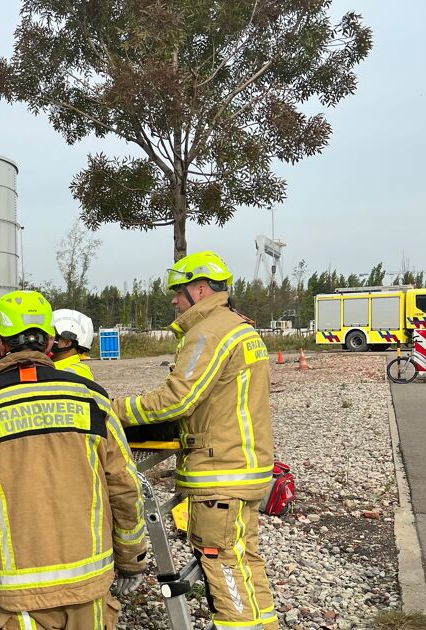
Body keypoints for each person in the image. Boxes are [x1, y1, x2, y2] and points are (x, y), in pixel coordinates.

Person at [0, 289, 148, 629]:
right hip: (89, 583)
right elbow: (125, 488)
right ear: (50, 341)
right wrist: (131, 559)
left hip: (17, 591)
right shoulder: (93, 400)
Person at [113, 251, 278, 630]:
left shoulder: (209, 332)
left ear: (200, 290)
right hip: (245, 469)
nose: (174, 300)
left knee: (223, 566)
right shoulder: (239, 327)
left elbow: (176, 399)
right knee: (245, 561)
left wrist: (112, 410)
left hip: (220, 473)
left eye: (178, 292)